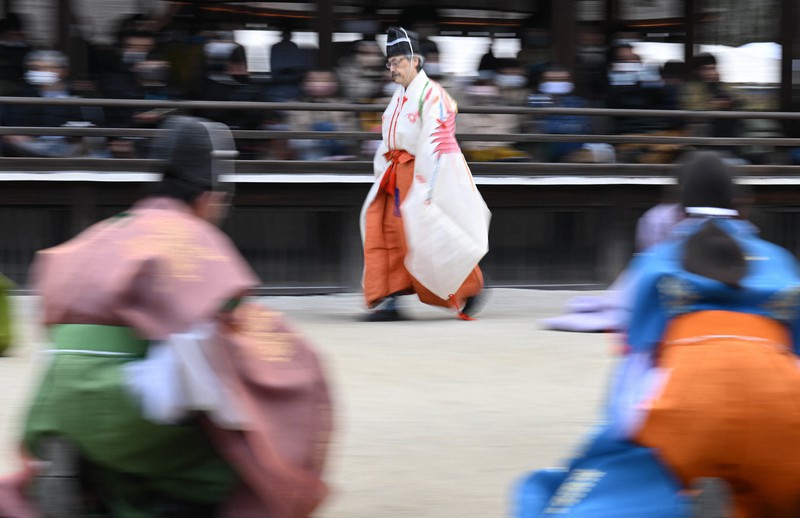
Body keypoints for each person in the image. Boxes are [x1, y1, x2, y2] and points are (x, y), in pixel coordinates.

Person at [0, 116, 332, 517]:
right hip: (127, 407)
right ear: (210, 196)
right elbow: (224, 320)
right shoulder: (189, 236)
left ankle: (86, 471)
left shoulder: (106, 230)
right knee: (224, 451)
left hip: (54, 403)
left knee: (149, 393)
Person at [517, 151, 800, 517]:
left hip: (690, 403)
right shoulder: (778, 260)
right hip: (781, 401)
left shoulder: (657, 262)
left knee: (638, 490)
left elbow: (636, 366)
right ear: (744, 204)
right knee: (778, 494)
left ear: (676, 209)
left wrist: (613, 440)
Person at [361, 26, 490, 321]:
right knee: (388, 232)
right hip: (396, 172)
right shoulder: (399, 96)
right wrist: (383, 169)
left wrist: (426, 184)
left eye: (398, 62)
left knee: (431, 234)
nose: (392, 68)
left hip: (426, 171)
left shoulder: (434, 96)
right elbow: (388, 139)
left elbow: (437, 141)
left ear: (415, 61)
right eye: (390, 63)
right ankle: (390, 299)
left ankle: (469, 287)